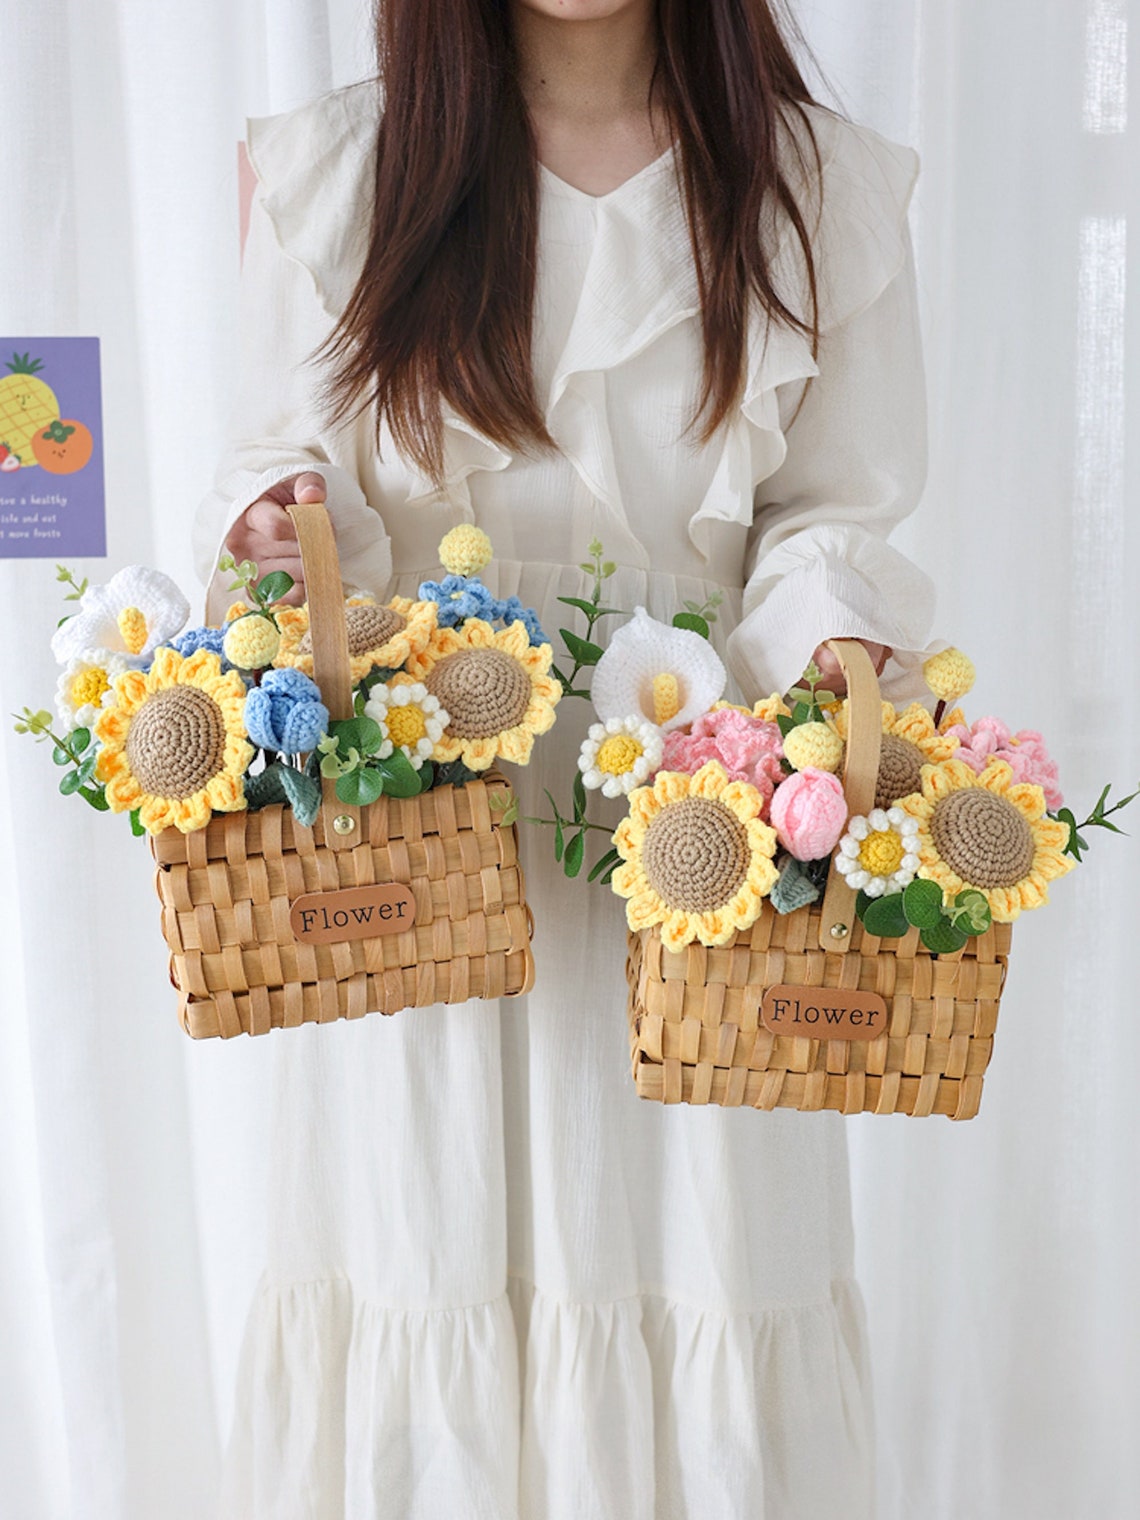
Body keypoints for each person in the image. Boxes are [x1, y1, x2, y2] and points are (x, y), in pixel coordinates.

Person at [194, 2, 936, 1515]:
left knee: (712, 1249)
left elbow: (827, 517)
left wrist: (838, 655)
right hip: (430, 829)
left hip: (701, 832)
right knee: (427, 1230)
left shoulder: (813, 192)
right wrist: (280, 526)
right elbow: (287, 452)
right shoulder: (344, 172)